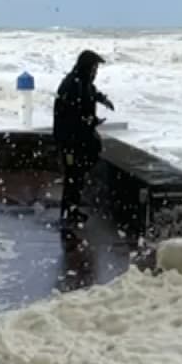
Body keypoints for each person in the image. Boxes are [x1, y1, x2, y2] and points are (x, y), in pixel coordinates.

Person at [52, 49, 114, 239]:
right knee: (73, 175)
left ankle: (72, 210)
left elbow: (91, 93)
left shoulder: (83, 82)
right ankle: (67, 213)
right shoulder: (73, 85)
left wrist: (102, 99)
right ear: (86, 67)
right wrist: (91, 121)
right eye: (94, 68)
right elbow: (72, 115)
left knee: (77, 176)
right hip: (70, 141)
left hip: (78, 139)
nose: (96, 72)